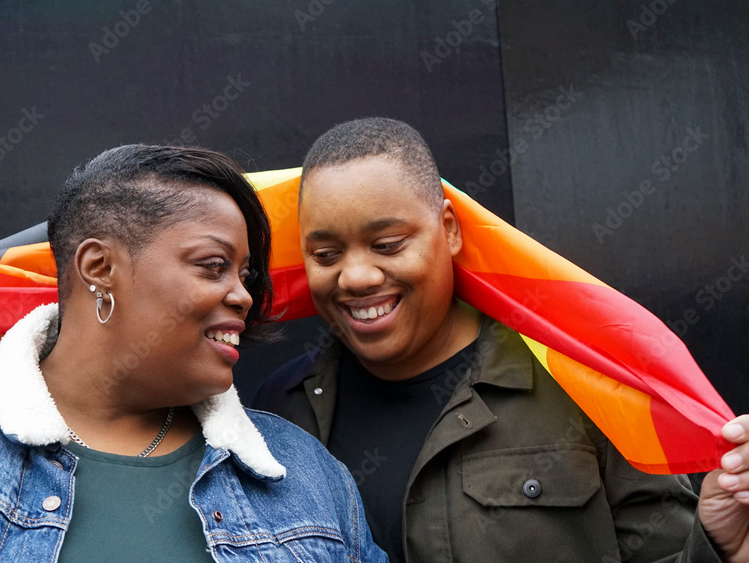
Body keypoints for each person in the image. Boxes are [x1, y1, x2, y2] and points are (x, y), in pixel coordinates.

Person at [0, 145, 387, 562]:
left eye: (246, 274)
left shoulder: (308, 481)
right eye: (214, 265)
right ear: (99, 266)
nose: (243, 295)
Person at [253, 117, 749, 562]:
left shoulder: (581, 384)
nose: (355, 276)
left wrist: (720, 546)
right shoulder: (280, 410)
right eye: (324, 254)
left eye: (387, 245)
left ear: (448, 230)